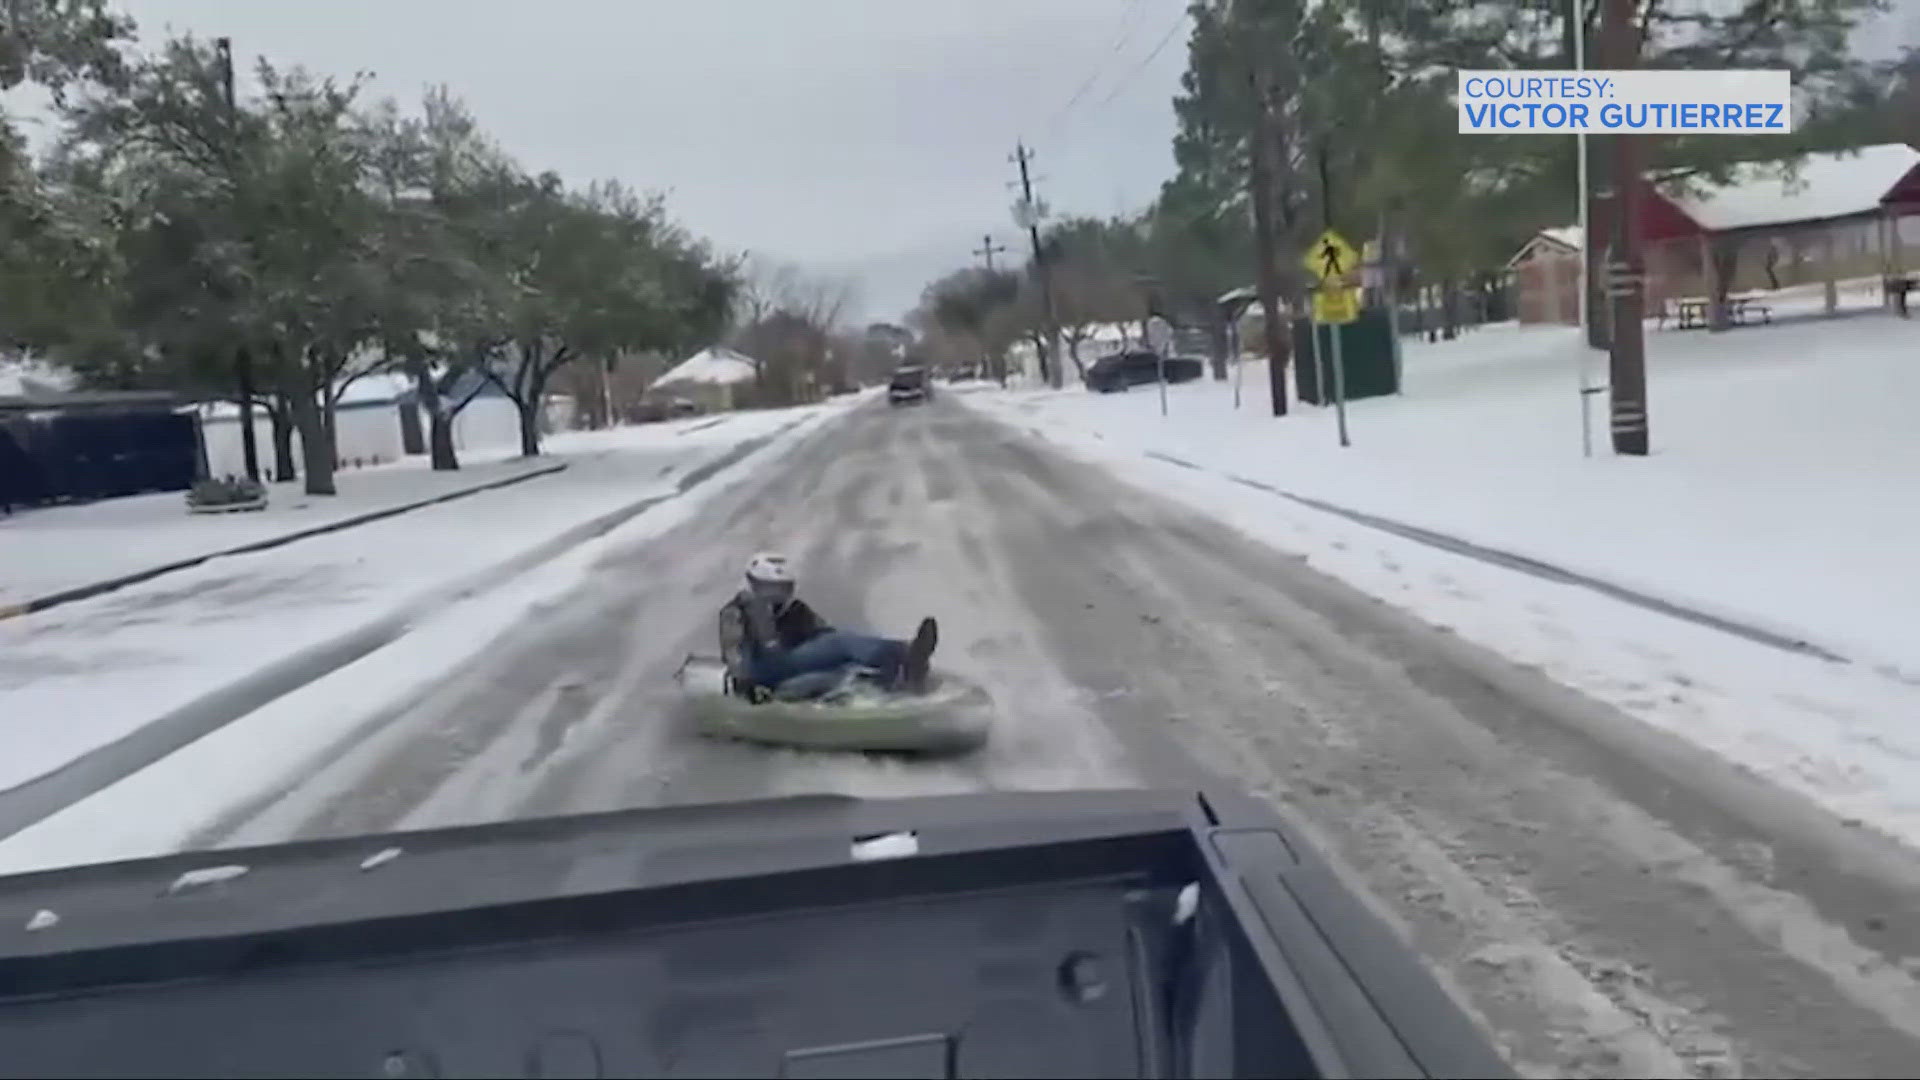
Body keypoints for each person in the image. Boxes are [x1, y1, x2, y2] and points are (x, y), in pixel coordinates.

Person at [719, 552, 939, 697]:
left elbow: (819, 631)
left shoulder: (793, 609)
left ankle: (896, 674)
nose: (781, 594)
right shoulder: (738, 612)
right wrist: (744, 681)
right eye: (775, 588)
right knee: (840, 643)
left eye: (785, 588)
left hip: (788, 665)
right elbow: (733, 651)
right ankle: (905, 655)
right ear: (757, 584)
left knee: (841, 656)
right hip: (763, 669)